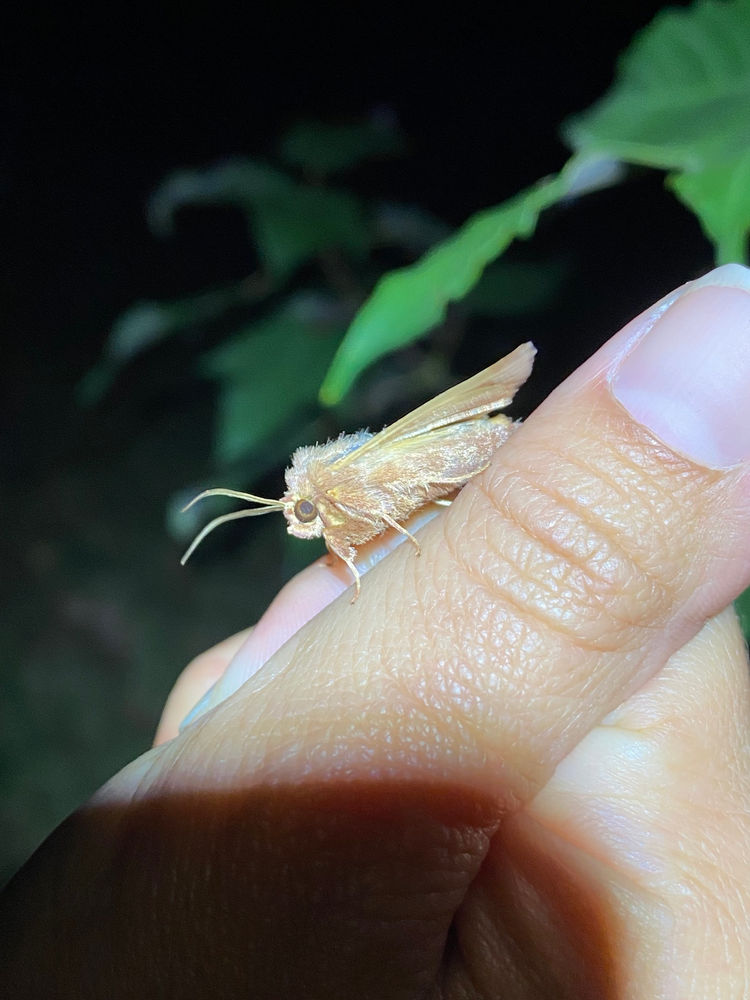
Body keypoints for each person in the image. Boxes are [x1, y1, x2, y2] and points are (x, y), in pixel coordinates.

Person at [2, 264, 750, 998]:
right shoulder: (331, 501)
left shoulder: (340, 484)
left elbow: (391, 500)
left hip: (462, 447)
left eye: (297, 516)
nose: (301, 527)